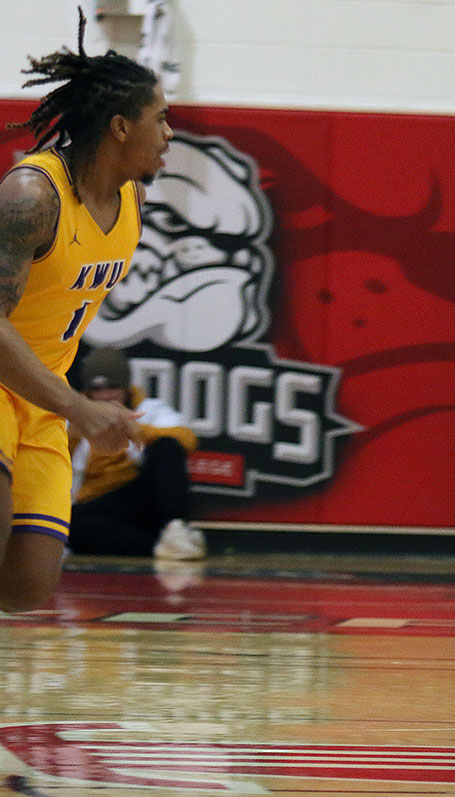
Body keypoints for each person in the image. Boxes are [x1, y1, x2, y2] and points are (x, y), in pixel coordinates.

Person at [0, 11, 171, 610]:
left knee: (25, 588)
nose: (169, 133)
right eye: (160, 118)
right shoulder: (32, 196)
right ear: (121, 127)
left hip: (40, 399)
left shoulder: (133, 201)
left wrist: (64, 405)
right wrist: (79, 406)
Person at [67, 346, 204, 560]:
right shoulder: (75, 417)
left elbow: (187, 439)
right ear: (88, 391)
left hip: (140, 501)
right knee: (68, 525)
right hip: (97, 507)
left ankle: (176, 529)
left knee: (167, 445)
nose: (105, 396)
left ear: (126, 387)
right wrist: (75, 434)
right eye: (97, 389)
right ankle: (162, 548)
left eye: (113, 387)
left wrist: (138, 430)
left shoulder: (150, 410)